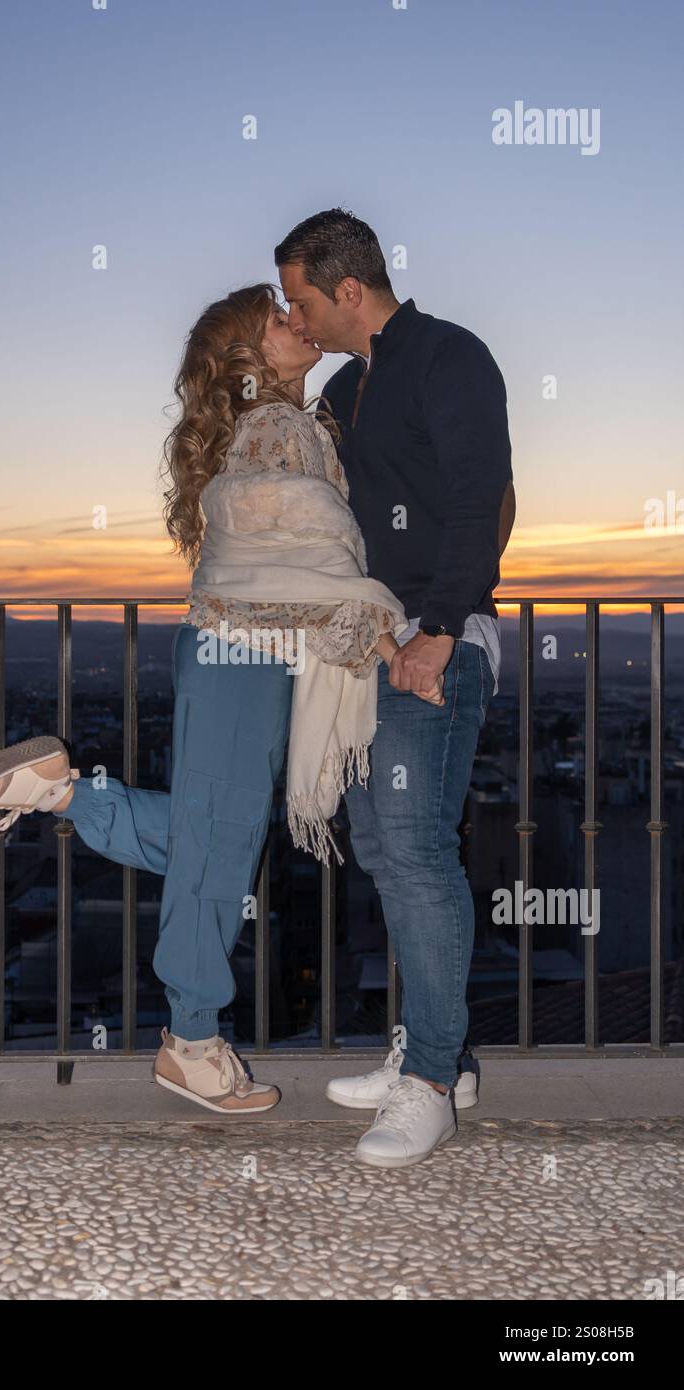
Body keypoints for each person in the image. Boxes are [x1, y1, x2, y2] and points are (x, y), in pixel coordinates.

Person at [0, 283, 410, 1121]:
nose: (298, 323)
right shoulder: (273, 424)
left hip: (234, 652)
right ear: (247, 359)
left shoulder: (274, 423)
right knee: (221, 845)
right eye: (278, 316)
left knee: (210, 835)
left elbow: (284, 546)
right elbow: (291, 541)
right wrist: (372, 629)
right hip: (244, 656)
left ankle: (51, 790)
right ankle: (190, 1042)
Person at [275, 208, 516, 1167]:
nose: (298, 316)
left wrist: (442, 629)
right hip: (375, 647)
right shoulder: (341, 385)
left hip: (436, 644)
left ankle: (428, 1090)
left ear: (348, 289)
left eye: (302, 300)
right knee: (383, 843)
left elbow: (481, 495)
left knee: (414, 850)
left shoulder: (450, 356)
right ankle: (434, 1056)